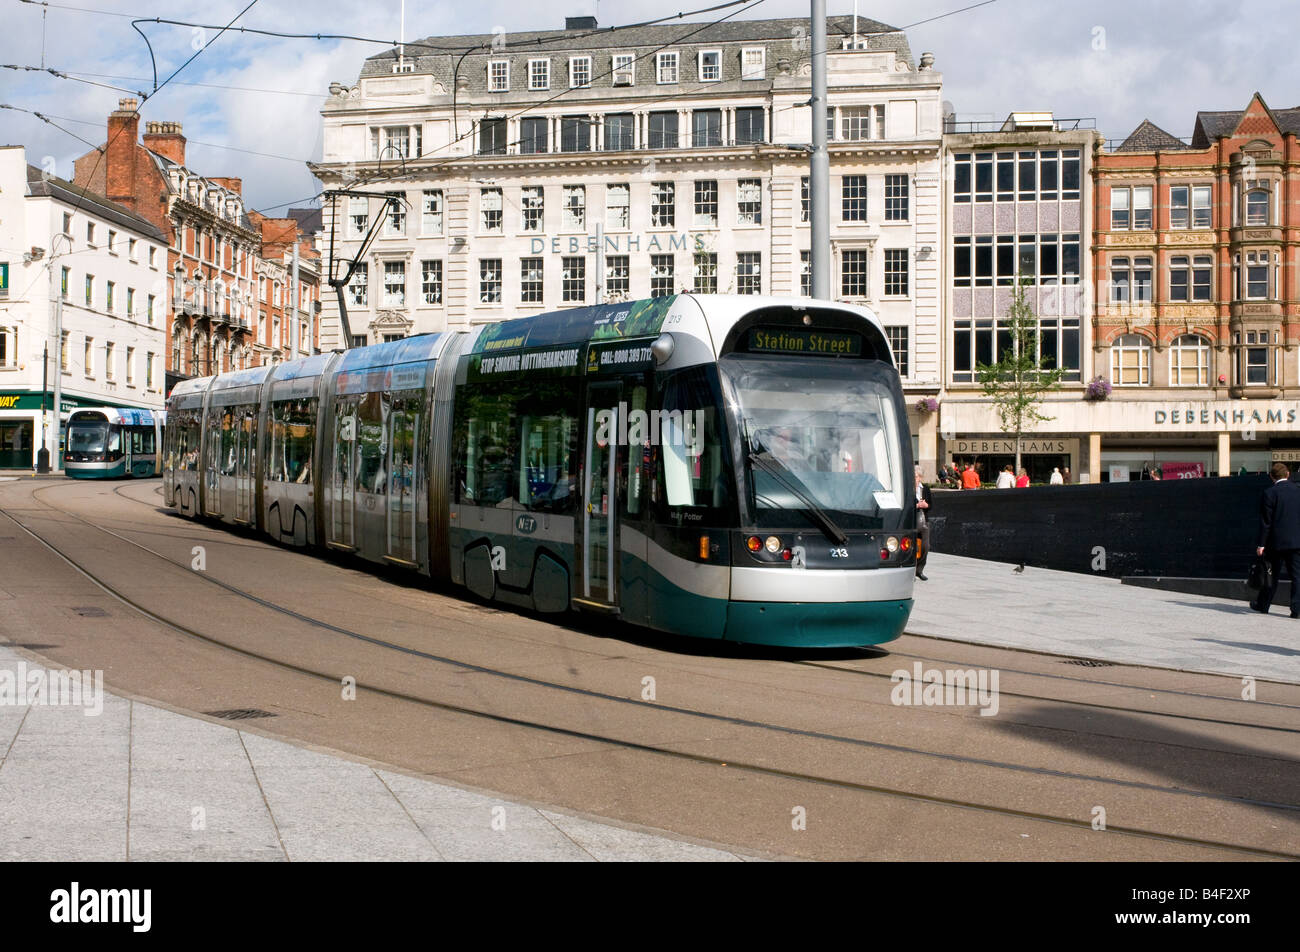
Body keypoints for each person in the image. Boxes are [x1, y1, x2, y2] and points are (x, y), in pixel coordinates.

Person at [1252, 462, 1300, 618]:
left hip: (1276, 543)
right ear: (1287, 474)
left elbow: (1266, 522)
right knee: (1297, 576)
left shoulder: (1269, 493)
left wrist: (1261, 544)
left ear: (1272, 477)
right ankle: (1296, 609)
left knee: (1271, 574)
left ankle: (1263, 605)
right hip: (1296, 542)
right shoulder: (1298, 491)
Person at [914, 465, 931, 581]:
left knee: (925, 546)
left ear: (920, 477)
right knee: (911, 547)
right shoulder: (907, 489)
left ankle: (919, 570)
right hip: (911, 521)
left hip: (924, 521)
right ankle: (910, 571)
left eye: (916, 477)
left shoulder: (925, 489)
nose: (915, 479)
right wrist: (916, 505)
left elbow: (931, 505)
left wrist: (926, 505)